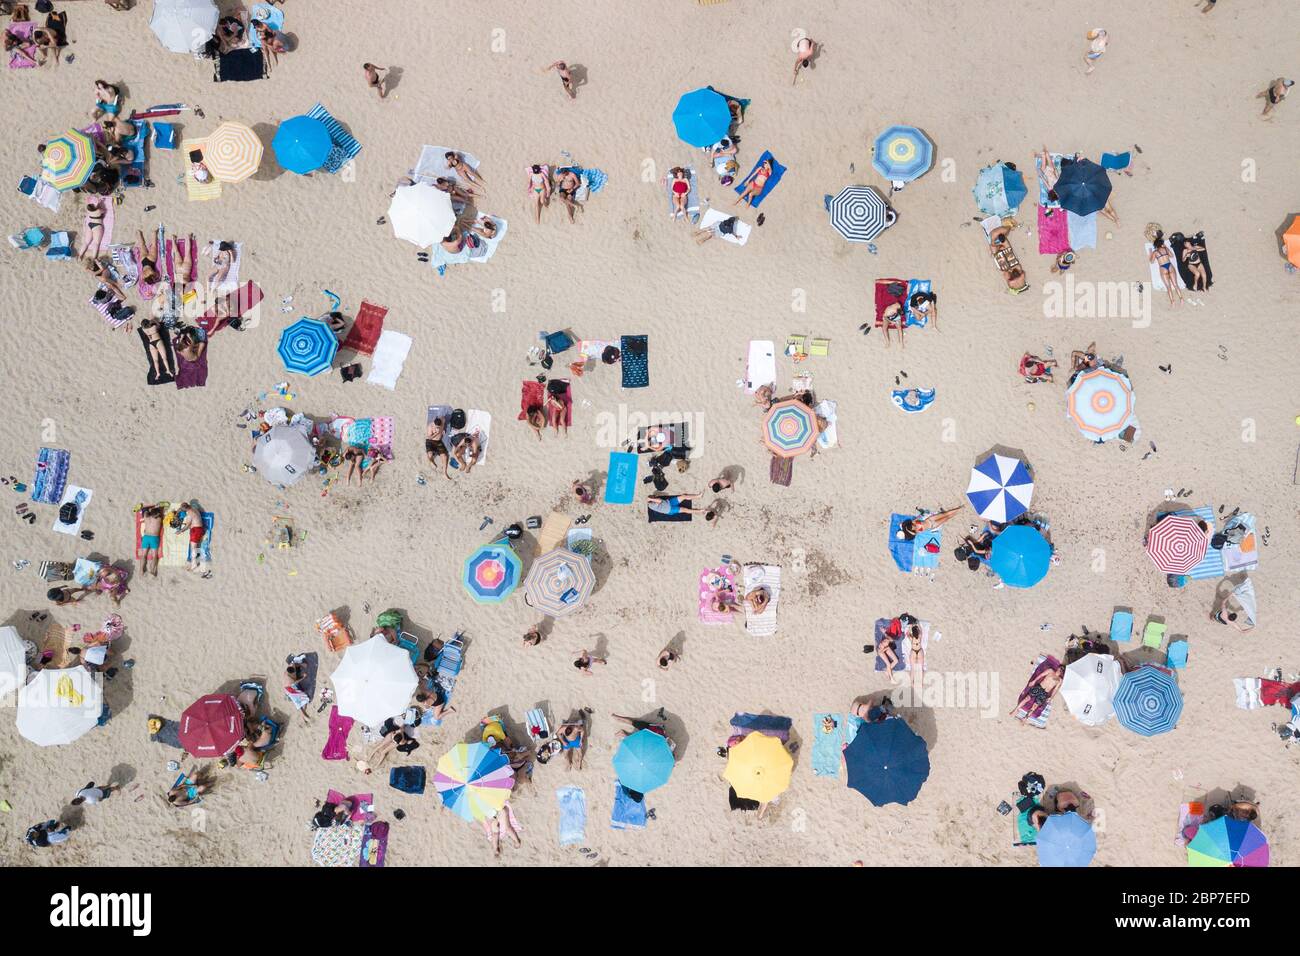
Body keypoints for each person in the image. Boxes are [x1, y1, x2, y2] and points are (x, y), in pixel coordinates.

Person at [647, 492, 720, 526]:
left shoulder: (652, 503)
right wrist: (651, 498)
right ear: (652, 500)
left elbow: (661, 501)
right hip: (669, 509)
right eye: (654, 497)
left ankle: (698, 496)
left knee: (683, 496)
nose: (655, 497)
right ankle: (700, 511)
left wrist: (652, 498)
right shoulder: (651, 505)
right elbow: (660, 501)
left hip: (668, 502)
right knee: (685, 509)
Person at [1148, 235, 1183, 306]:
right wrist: (1165, 246)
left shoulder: (1155, 252)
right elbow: (1172, 256)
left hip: (1163, 268)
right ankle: (1181, 299)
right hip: (1169, 266)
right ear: (1161, 243)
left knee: (1168, 287)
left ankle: (1172, 302)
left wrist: (1150, 253)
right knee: (1175, 285)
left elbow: (1151, 261)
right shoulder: (1165, 249)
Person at [180, 501, 210, 577]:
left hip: (196, 531)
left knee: (193, 548)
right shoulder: (194, 509)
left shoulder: (190, 514)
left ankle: (194, 566)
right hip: (200, 529)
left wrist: (180, 531)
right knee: (195, 546)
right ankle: (194, 564)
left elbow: (187, 526)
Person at [898, 507, 962, 541]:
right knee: (947, 518)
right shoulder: (915, 532)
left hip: (930, 519)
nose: (913, 527)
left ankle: (959, 509)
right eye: (912, 528)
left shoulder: (913, 522)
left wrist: (904, 527)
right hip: (932, 525)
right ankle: (957, 513)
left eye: (912, 526)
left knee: (946, 514)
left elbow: (916, 518)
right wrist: (906, 530)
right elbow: (912, 535)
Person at [138, 504, 164, 577]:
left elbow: (145, 509)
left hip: (146, 537)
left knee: (143, 555)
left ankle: (141, 570)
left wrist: (150, 509)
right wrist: (157, 507)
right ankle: (152, 571)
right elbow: (160, 509)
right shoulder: (159, 519)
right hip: (154, 538)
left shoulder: (146, 517)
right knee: (155, 555)